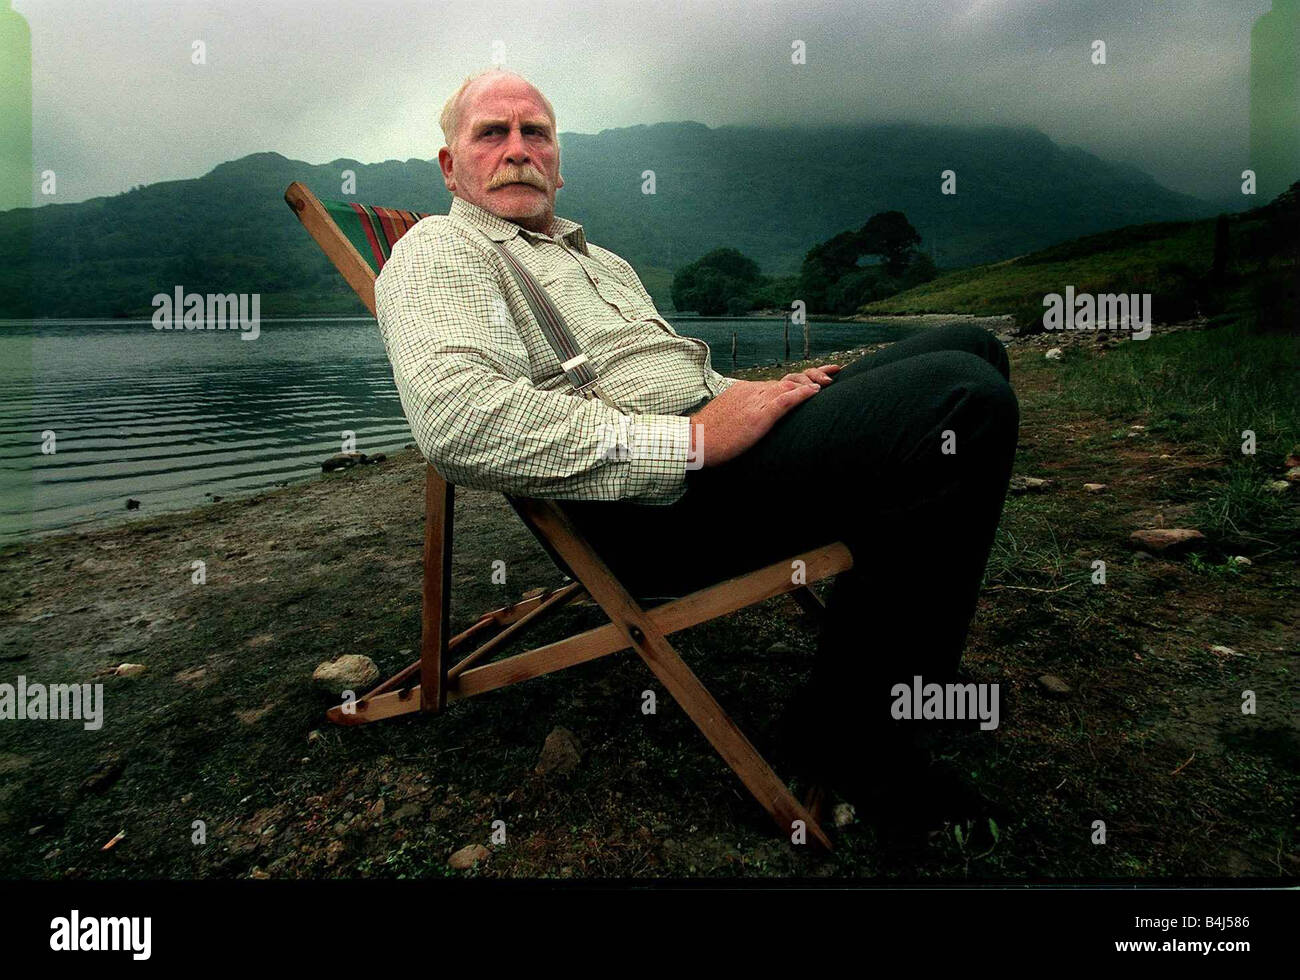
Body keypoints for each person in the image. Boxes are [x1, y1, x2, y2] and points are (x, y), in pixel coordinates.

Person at [375, 67, 1019, 842]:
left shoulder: (600, 259)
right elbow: (459, 422)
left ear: (558, 162)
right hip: (656, 508)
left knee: (972, 345)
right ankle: (858, 742)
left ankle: (892, 674)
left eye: (534, 132)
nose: (517, 149)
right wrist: (694, 441)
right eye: (492, 133)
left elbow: (687, 377)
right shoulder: (439, 250)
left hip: (718, 456)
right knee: (962, 402)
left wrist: (763, 394)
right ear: (451, 166)